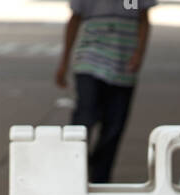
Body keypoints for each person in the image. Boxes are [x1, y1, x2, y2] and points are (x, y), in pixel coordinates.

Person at [56, 0, 153, 184]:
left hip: (123, 65)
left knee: (114, 126)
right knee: (85, 117)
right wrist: (64, 62)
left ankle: (100, 175)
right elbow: (74, 20)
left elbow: (143, 19)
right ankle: (73, 167)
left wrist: (139, 53)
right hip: (90, 59)